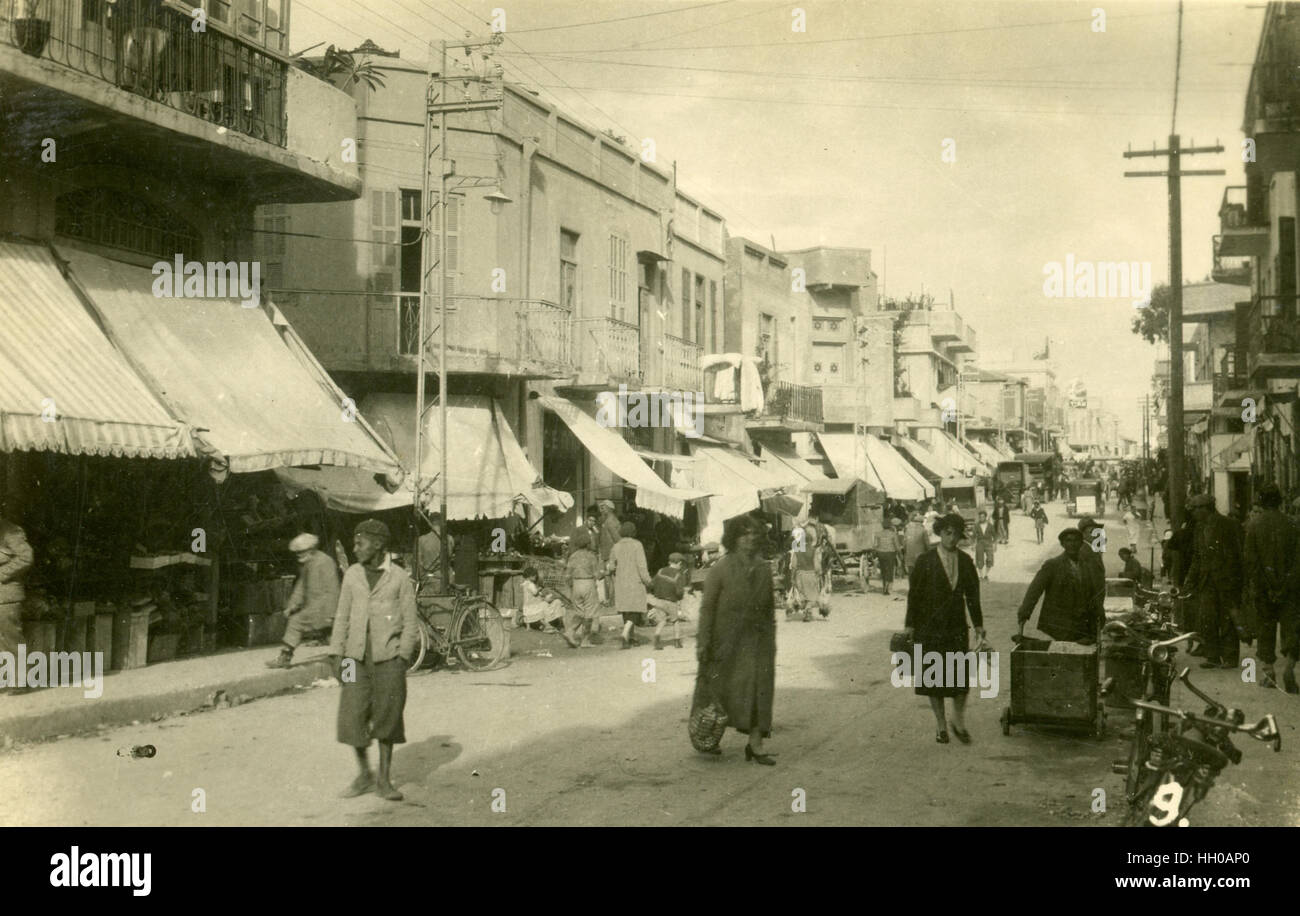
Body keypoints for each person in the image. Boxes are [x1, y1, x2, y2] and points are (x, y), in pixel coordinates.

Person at [329, 519, 419, 802]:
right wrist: (336, 653)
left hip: (389, 658)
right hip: (354, 658)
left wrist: (403, 657)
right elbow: (342, 616)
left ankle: (384, 780)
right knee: (351, 716)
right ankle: (364, 775)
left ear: (378, 544)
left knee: (387, 717)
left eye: (360, 543)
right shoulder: (352, 575)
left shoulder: (399, 577)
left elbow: (411, 622)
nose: (355, 548)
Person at [693, 515, 777, 763]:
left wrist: (770, 641)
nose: (749, 538)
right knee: (719, 691)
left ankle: (755, 744)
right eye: (744, 534)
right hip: (726, 642)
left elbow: (770, 609)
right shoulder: (720, 568)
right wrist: (703, 641)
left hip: (758, 642)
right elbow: (707, 608)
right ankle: (709, 735)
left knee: (759, 691)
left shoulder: (763, 568)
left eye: (754, 533)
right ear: (733, 538)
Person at [904, 513, 985, 745]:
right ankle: (941, 726)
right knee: (934, 680)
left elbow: (973, 596)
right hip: (929, 627)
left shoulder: (966, 561)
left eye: (956, 534)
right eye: (948, 533)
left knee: (961, 679)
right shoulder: (925, 560)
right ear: (940, 533)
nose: (952, 538)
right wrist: (910, 625)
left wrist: (979, 625)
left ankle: (958, 721)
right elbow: (914, 596)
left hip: (956, 627)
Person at [1244, 484, 1298, 691]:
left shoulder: (1254, 525)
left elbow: (1251, 561)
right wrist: (1286, 584)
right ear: (1280, 501)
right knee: (1292, 628)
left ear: (1261, 501)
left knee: (1265, 628)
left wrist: (1264, 586)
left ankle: (1268, 673)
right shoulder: (1292, 524)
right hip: (1290, 588)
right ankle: (1290, 667)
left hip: (1263, 588)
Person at [1185, 493, 1244, 670]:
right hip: (1206, 581)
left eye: (1196, 509)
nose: (1193, 512)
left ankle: (1230, 657)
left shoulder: (1228, 524)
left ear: (1206, 508)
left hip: (1227, 581)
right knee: (1207, 619)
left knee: (1227, 620)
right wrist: (1190, 579)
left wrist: (1235, 580)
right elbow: (1197, 557)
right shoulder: (1199, 527)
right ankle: (1212, 656)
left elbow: (1237, 555)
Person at [1017, 529, 1105, 645]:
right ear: (1062, 544)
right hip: (1059, 622)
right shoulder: (1052, 565)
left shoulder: (1087, 566)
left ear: (1081, 544)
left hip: (1081, 622)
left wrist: (1100, 613)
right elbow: (1035, 590)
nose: (1072, 544)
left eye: (1076, 541)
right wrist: (1025, 612)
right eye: (1068, 541)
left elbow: (1095, 592)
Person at [267, 533, 340, 669]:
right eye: (297, 552)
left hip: (323, 607)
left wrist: (331, 613)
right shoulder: (308, 564)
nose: (298, 555)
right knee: (331, 636)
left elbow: (333, 589)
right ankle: (345, 660)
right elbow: (301, 587)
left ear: (311, 549)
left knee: (296, 622)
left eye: (301, 552)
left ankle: (285, 657)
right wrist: (291, 606)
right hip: (315, 607)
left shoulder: (325, 561)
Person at [609, 520, 652, 649]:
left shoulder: (616, 546)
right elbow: (642, 566)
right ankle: (625, 633)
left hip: (621, 582)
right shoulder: (637, 545)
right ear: (633, 531)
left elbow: (611, 567)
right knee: (635, 611)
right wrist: (648, 581)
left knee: (626, 611)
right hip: (635, 582)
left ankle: (630, 637)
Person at [0, 515, 32, 673]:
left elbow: (26, 557)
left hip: (5, 597)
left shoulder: (10, 530)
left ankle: (19, 680)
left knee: (11, 642)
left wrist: (2, 573)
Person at [563, 530, 601, 648]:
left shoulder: (573, 556)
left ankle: (570, 631)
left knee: (579, 612)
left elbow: (567, 575)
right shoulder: (591, 556)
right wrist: (605, 572)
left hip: (576, 584)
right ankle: (585, 640)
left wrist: (571, 587)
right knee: (589, 614)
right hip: (588, 583)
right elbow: (597, 574)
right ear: (588, 544)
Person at [647, 552, 689, 650]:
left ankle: (657, 640)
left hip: (659, 601)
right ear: (679, 563)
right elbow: (679, 592)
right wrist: (679, 598)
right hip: (671, 601)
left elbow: (652, 584)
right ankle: (677, 642)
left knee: (662, 621)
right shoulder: (678, 575)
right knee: (675, 621)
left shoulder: (660, 571)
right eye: (681, 564)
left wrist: (655, 593)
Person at [518, 566, 568, 636]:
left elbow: (535, 594)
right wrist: (540, 589)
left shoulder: (525, 584)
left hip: (528, 606)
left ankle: (550, 624)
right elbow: (535, 592)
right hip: (532, 606)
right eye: (534, 576)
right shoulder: (530, 584)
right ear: (529, 576)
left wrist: (542, 595)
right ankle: (549, 625)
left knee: (550, 603)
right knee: (545, 605)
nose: (535, 577)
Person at [597, 500, 622, 606]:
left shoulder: (610, 521)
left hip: (610, 554)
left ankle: (611, 601)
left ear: (609, 508)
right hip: (608, 553)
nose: (601, 510)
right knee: (610, 578)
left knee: (609, 578)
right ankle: (611, 600)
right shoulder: (609, 520)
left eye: (603, 508)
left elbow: (617, 539)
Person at [873, 521, 902, 595]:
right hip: (890, 553)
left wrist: (875, 553)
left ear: (882, 526)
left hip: (881, 553)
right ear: (890, 526)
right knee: (890, 570)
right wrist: (900, 554)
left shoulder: (877, 534)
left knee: (883, 570)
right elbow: (897, 546)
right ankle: (888, 587)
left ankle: (884, 587)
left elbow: (875, 545)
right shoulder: (893, 534)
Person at [972, 509, 996, 580]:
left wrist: (994, 545)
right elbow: (974, 536)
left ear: (985, 517)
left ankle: (986, 575)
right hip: (980, 543)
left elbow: (995, 536)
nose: (981, 518)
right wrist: (973, 545)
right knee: (979, 559)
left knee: (990, 559)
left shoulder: (990, 526)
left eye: (983, 517)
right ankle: (980, 575)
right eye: (980, 517)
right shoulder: (976, 526)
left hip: (988, 543)